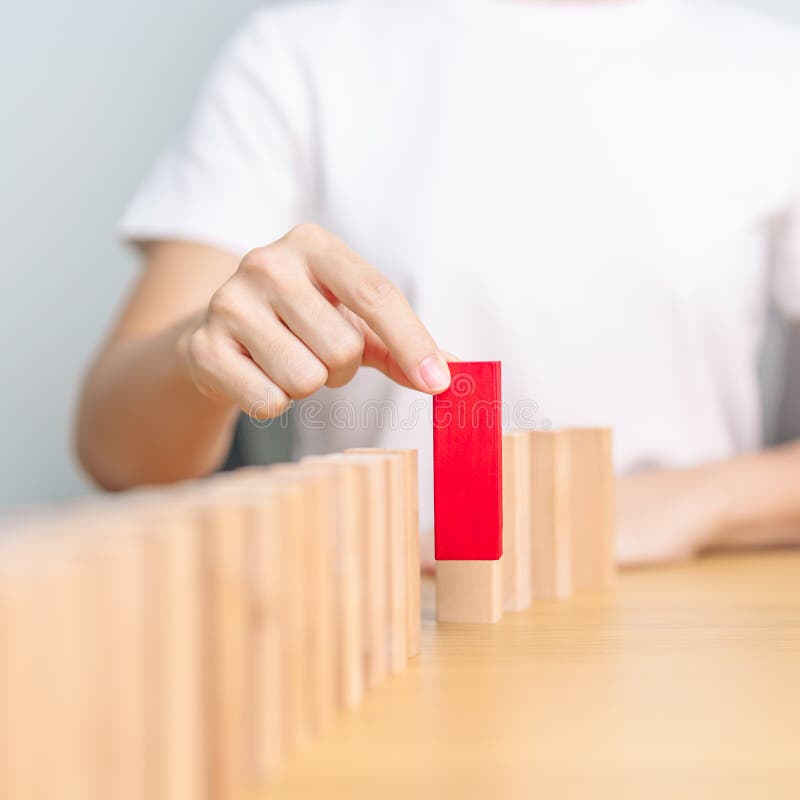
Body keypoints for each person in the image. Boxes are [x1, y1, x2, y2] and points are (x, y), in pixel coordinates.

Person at [76, 0, 800, 565]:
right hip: (380, 621)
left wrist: (700, 501)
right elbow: (115, 452)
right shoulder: (301, 55)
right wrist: (201, 358)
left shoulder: (773, 68)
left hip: (689, 619)